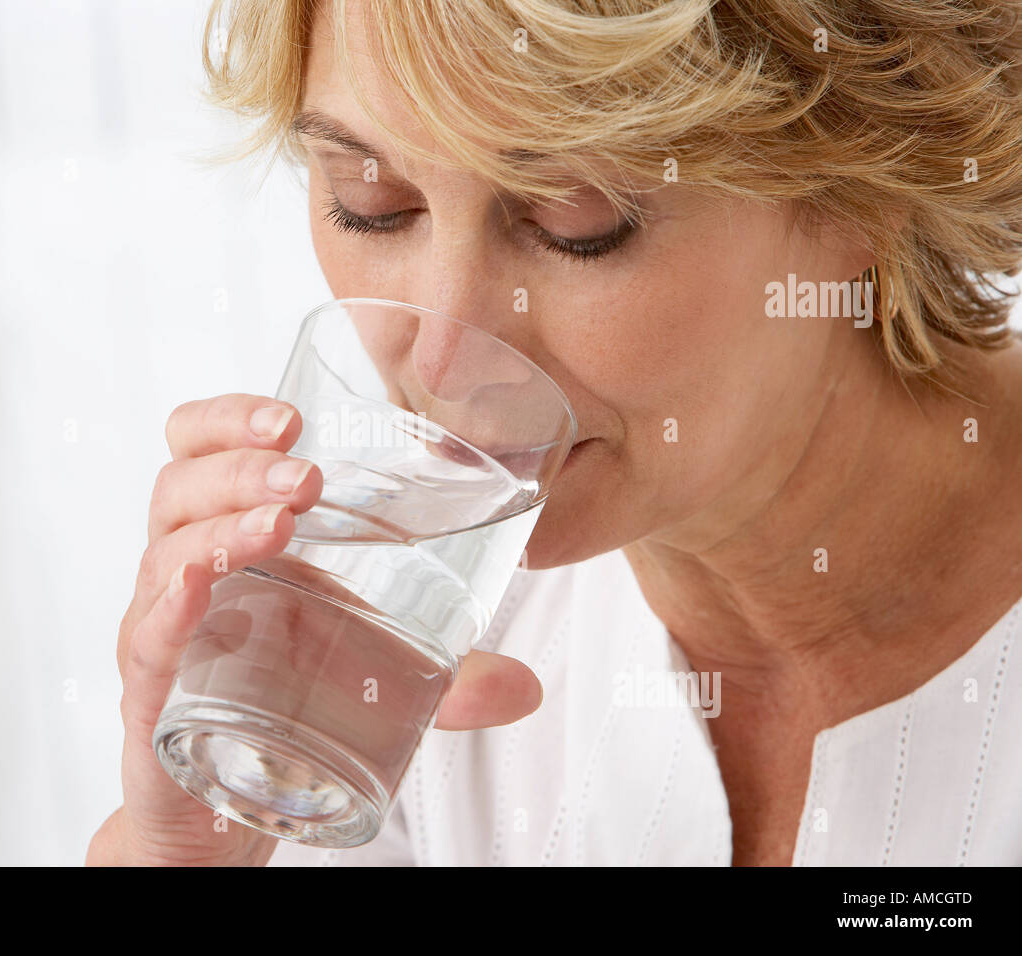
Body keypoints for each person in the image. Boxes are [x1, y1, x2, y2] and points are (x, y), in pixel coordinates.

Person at [86, 0, 1022, 865]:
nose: (442, 364)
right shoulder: (382, 652)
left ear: (875, 177)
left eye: (576, 222)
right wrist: (184, 855)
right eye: (368, 204)